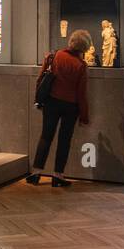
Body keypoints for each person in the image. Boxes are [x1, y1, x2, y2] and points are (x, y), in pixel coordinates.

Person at [28, 29, 91, 187]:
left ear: (71, 41)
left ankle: (36, 173)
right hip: (71, 106)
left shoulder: (53, 56)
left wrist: (39, 99)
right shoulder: (81, 65)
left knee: (46, 136)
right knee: (64, 140)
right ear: (85, 47)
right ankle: (57, 176)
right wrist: (84, 116)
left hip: (51, 102)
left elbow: (41, 78)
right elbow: (81, 93)